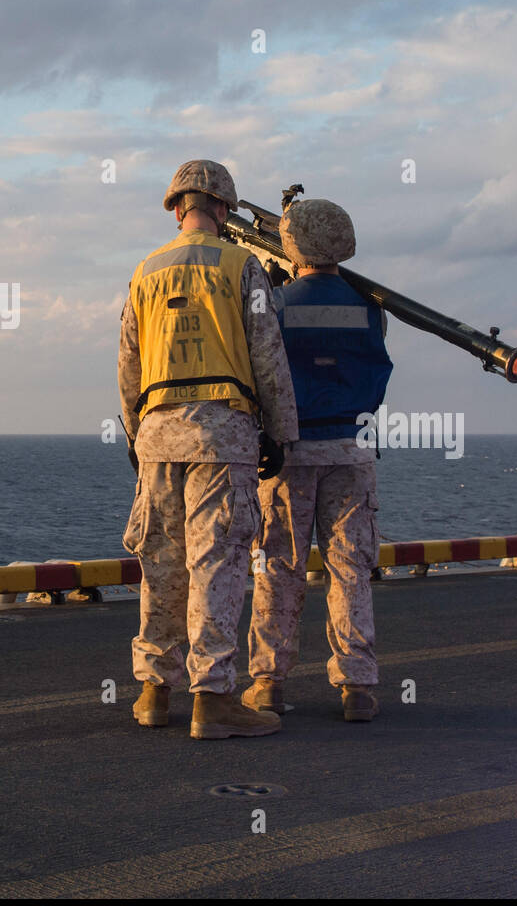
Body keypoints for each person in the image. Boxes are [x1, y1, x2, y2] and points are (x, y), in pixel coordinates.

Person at [118, 159, 298, 739]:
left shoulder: (144, 272)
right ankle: (213, 698)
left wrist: (133, 434)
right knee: (215, 565)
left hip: (156, 436)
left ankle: (152, 692)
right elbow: (268, 355)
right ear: (223, 209)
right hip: (223, 436)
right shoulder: (242, 266)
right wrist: (281, 433)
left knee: (160, 564)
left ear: (177, 209)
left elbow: (127, 364)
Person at [243, 198, 393, 722]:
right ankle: (357, 687)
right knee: (350, 567)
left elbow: (262, 370)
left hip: (289, 452)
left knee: (279, 567)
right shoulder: (370, 307)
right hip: (352, 449)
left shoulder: (277, 303)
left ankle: (267, 683)